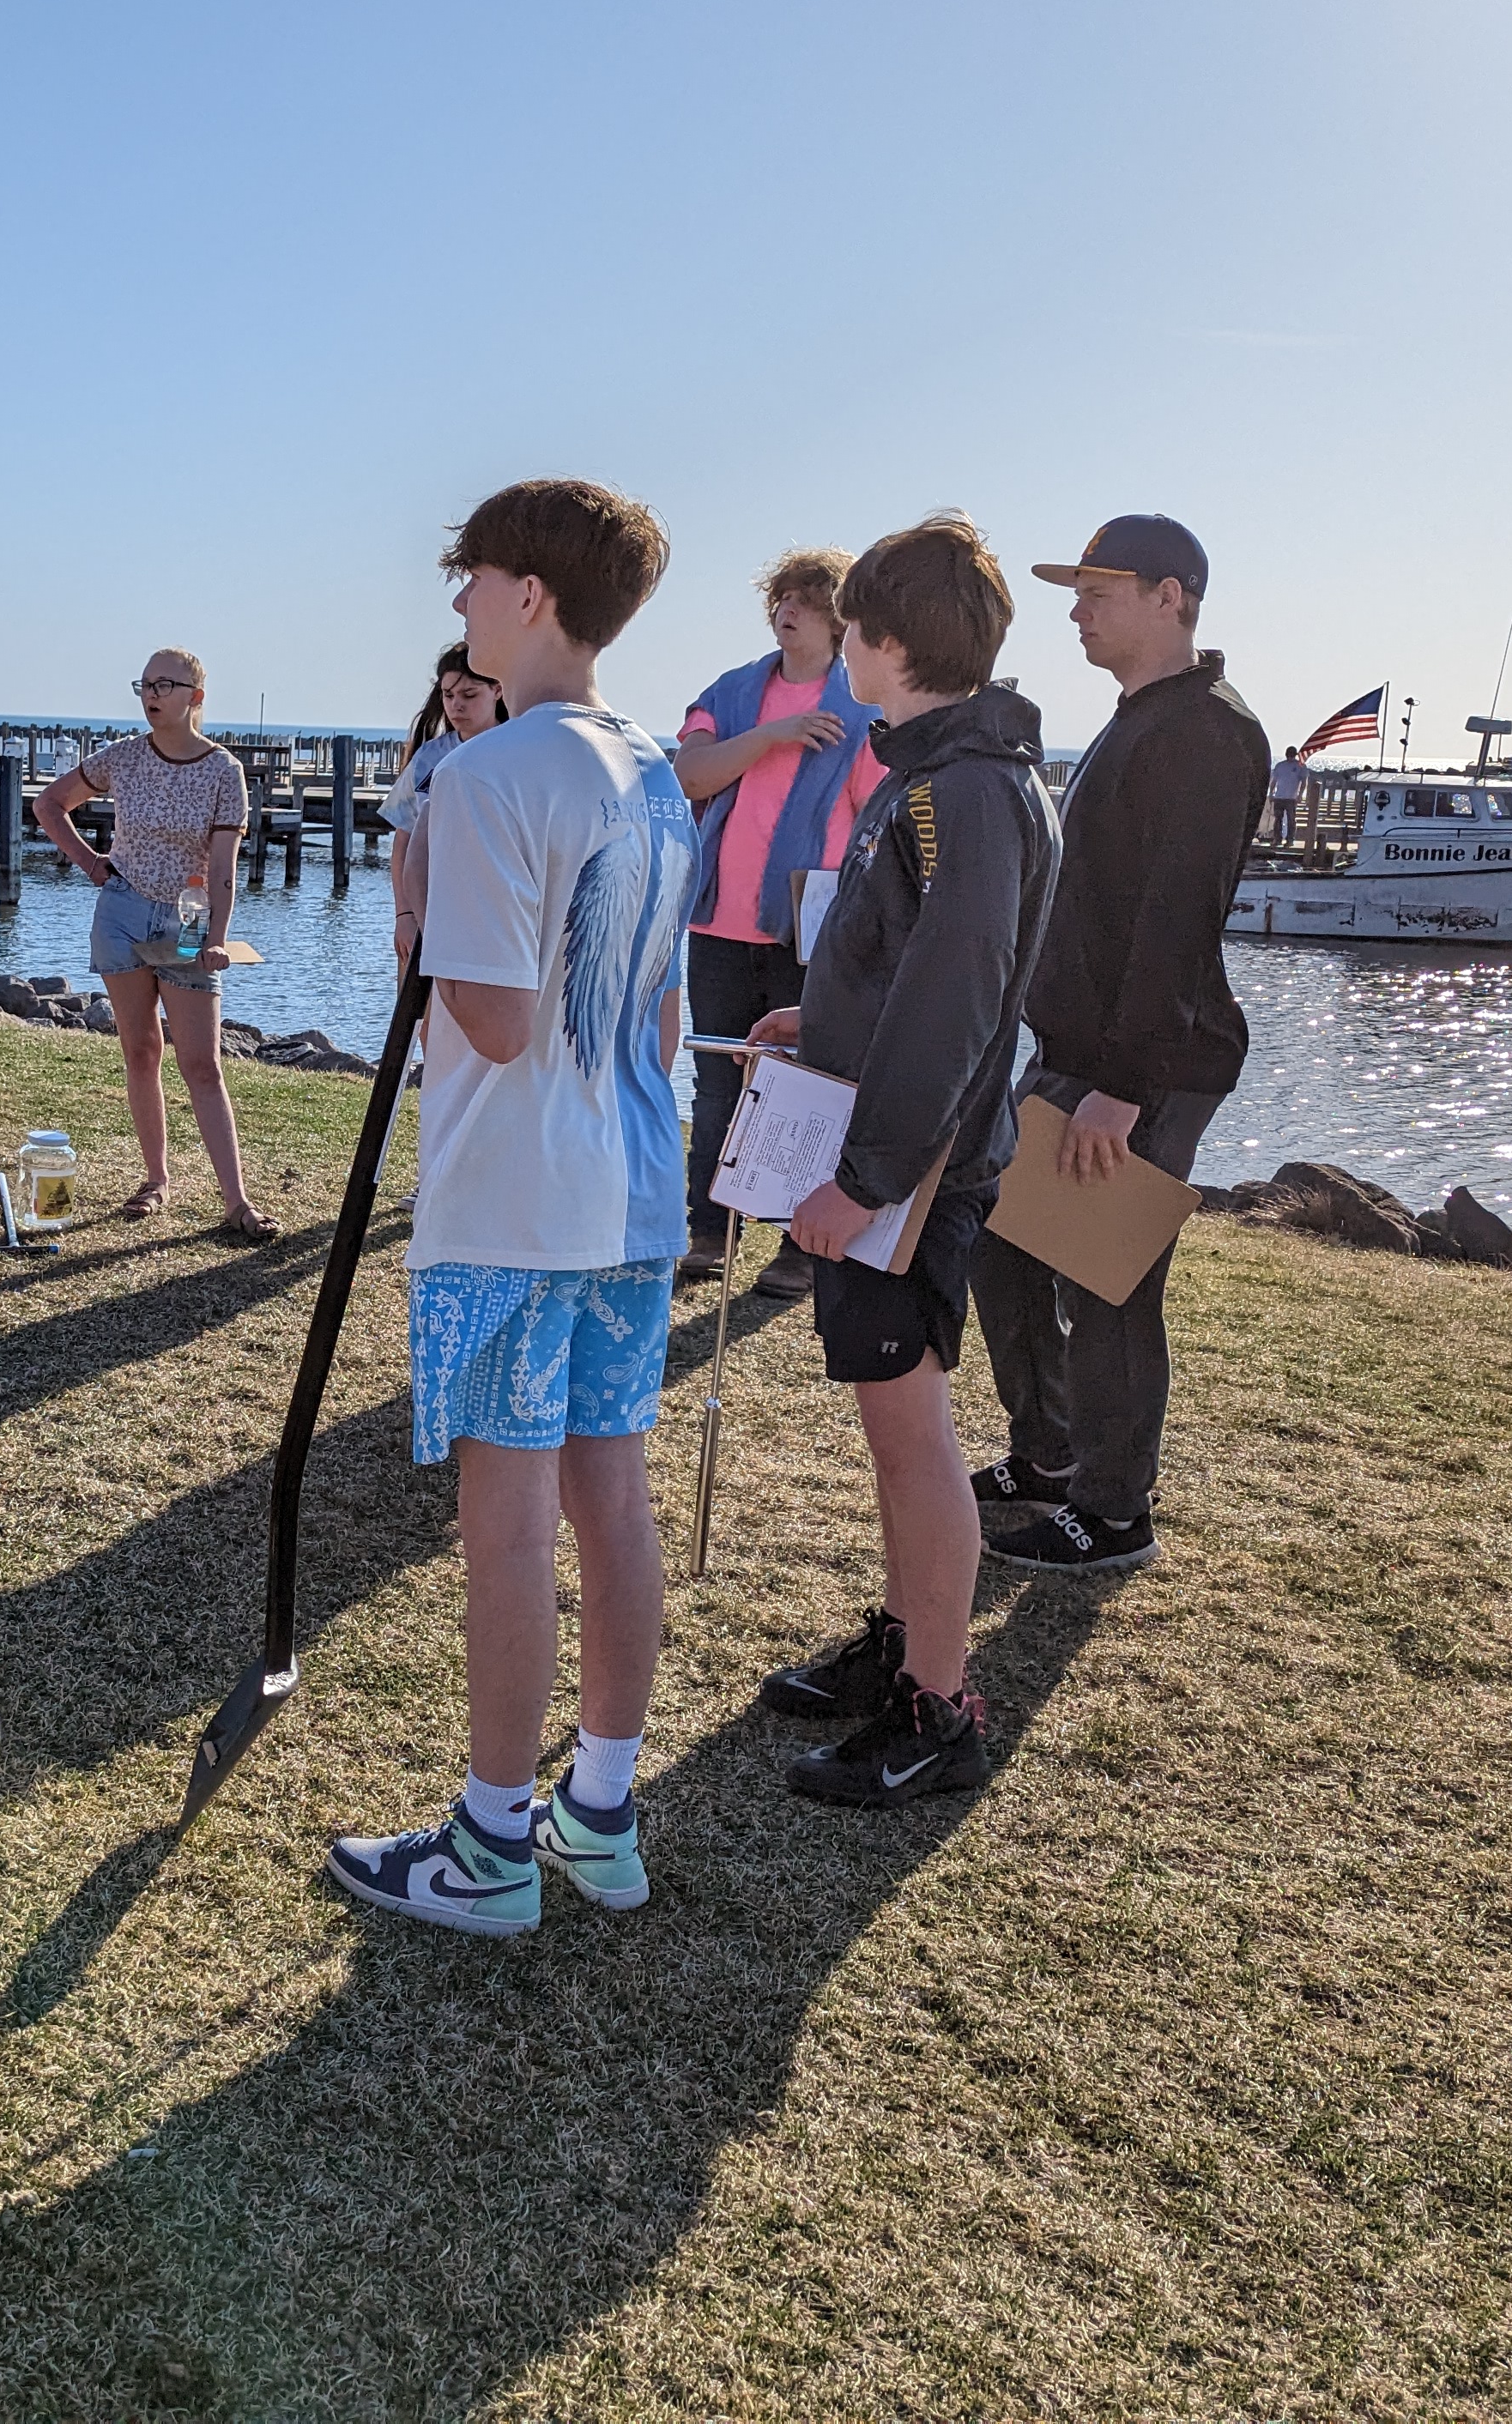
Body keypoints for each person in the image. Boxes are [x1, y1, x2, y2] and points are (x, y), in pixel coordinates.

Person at [325, 477, 686, 1935]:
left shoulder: (490, 778)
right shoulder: (652, 767)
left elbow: (476, 1016)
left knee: (508, 1525)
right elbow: (656, 1019)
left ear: (530, 593)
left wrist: (415, 879)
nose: (458, 600)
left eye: (468, 575)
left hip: (514, 1204)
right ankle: (600, 1812)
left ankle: (486, 1845)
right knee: (613, 1497)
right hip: (632, 1191)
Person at [742, 514, 1059, 1806]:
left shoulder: (966, 791)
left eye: (852, 634)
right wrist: (814, 1023)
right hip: (900, 1145)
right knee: (896, 1427)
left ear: (883, 644)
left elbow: (956, 1003)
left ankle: (939, 1703)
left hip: (915, 1173)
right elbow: (904, 967)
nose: (841, 656)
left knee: (912, 1430)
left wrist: (864, 1180)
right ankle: (906, 1643)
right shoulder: (936, 774)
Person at [967, 514, 1272, 1575]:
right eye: (1078, 591)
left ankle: (1111, 1512)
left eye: (1099, 591)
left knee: (1106, 1282)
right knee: (999, 1249)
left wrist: (1123, 1091)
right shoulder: (1140, 717)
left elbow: (1175, 924)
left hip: (1142, 1069)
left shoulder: (1205, 731)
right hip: (1077, 1052)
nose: (1077, 610)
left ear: (1170, 596)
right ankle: (1049, 1458)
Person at [671, 547, 887, 1298]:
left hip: (814, 935)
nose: (787, 609)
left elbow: (880, 819)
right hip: (719, 927)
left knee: (811, 1087)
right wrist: (775, 735)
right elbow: (687, 777)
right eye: (781, 596)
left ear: (838, 616)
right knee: (715, 1082)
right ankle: (708, 1230)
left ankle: (800, 1247)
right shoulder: (732, 693)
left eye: (805, 598)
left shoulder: (863, 708)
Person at [33, 650, 277, 1239]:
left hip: (189, 920)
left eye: (166, 684)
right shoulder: (124, 756)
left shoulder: (223, 770)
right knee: (141, 1052)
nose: (152, 694)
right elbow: (48, 805)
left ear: (196, 696)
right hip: (121, 912)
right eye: (146, 684)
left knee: (202, 1063)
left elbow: (224, 865)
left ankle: (236, 1201)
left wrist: (216, 939)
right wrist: (94, 867)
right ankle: (155, 1181)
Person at [384, 641, 504, 970]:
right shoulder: (429, 758)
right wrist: (404, 914)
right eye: (448, 696)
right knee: (418, 1015)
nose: (456, 706)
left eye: (469, 695)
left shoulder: (514, 751)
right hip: (427, 913)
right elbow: (402, 845)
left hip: (492, 915)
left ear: (497, 690)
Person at [1266, 743, 1308, 846]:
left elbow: (1303, 782)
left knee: (1291, 820)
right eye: (1289, 754)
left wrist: (1300, 795)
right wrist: (1271, 794)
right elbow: (1274, 781)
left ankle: (1290, 840)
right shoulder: (1280, 765)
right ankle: (1277, 839)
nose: (1290, 756)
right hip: (1279, 797)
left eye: (1292, 754)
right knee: (1278, 819)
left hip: (1291, 798)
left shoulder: (1300, 766)